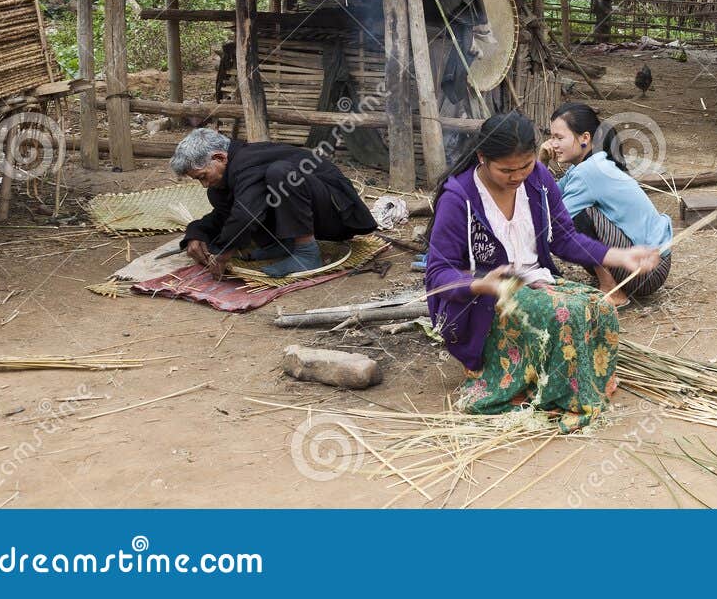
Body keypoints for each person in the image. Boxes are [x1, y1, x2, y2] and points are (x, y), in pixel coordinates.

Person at [425, 111, 660, 429]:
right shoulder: (459, 199)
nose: (518, 176)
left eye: (525, 165)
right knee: (560, 314)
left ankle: (578, 382)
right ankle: (534, 386)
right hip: (480, 301)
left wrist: (620, 256)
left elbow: (564, 238)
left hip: (534, 279)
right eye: (507, 170)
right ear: (482, 157)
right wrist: (483, 284)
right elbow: (438, 274)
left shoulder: (537, 179)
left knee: (598, 306)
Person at [171, 128, 376, 280]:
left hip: (338, 214)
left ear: (219, 157)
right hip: (312, 214)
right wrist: (195, 232)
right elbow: (227, 216)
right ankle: (279, 244)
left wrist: (224, 254)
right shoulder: (232, 170)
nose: (204, 184)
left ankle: (306, 253)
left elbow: (245, 214)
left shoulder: (246, 162)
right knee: (219, 194)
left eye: (203, 176)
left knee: (281, 173)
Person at [545, 102, 673, 306]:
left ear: (585, 138)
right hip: (646, 263)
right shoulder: (583, 167)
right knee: (571, 215)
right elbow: (548, 197)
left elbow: (554, 222)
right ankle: (611, 282)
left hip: (647, 268)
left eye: (559, 138)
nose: (552, 144)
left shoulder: (589, 171)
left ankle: (613, 290)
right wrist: (542, 163)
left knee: (577, 217)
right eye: (551, 137)